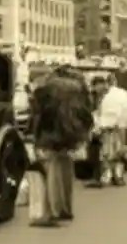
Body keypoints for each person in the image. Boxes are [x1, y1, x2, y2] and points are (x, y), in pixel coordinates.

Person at [28, 66, 93, 225]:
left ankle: (53, 211)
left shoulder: (46, 89)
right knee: (65, 165)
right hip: (72, 131)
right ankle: (65, 208)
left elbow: (39, 113)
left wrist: (34, 134)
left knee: (51, 169)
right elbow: (87, 110)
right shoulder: (78, 86)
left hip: (51, 132)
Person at [95, 74, 127, 187]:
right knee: (118, 151)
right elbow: (126, 111)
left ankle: (107, 175)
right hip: (118, 125)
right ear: (115, 82)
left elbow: (99, 111)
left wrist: (98, 126)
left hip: (106, 126)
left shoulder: (103, 95)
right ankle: (118, 175)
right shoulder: (123, 93)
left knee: (106, 152)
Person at [84, 77, 110, 188]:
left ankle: (98, 177)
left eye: (102, 84)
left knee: (99, 151)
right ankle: (97, 176)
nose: (101, 87)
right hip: (96, 125)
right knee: (94, 151)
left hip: (102, 125)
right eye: (98, 85)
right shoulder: (92, 97)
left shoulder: (105, 96)